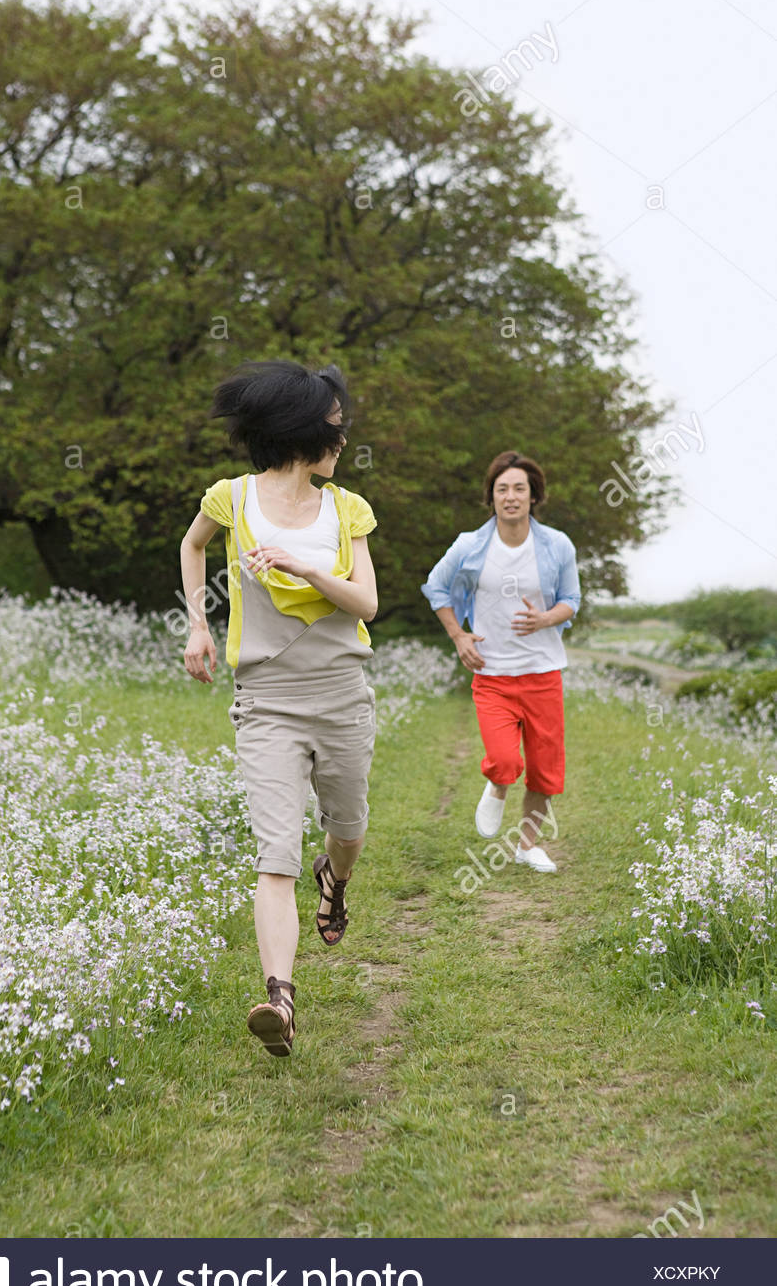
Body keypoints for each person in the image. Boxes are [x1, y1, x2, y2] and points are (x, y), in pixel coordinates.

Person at [180, 360, 378, 1057]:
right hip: (265, 700)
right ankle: (280, 999)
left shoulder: (345, 509)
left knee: (346, 829)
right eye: (334, 424)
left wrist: (308, 569)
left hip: (342, 696)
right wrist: (199, 623)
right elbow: (192, 544)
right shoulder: (231, 499)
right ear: (299, 429)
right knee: (275, 854)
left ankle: (337, 882)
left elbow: (367, 604)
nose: (342, 437)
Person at [420, 450, 581, 873]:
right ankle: (496, 785)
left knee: (546, 773)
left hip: (543, 673)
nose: (511, 496)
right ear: (491, 497)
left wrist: (546, 618)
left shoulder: (557, 545)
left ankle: (527, 846)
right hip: (491, 674)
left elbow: (572, 600)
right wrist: (458, 636)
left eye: (519, 489)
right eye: (502, 489)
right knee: (506, 761)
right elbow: (435, 588)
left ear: (533, 496)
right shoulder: (470, 546)